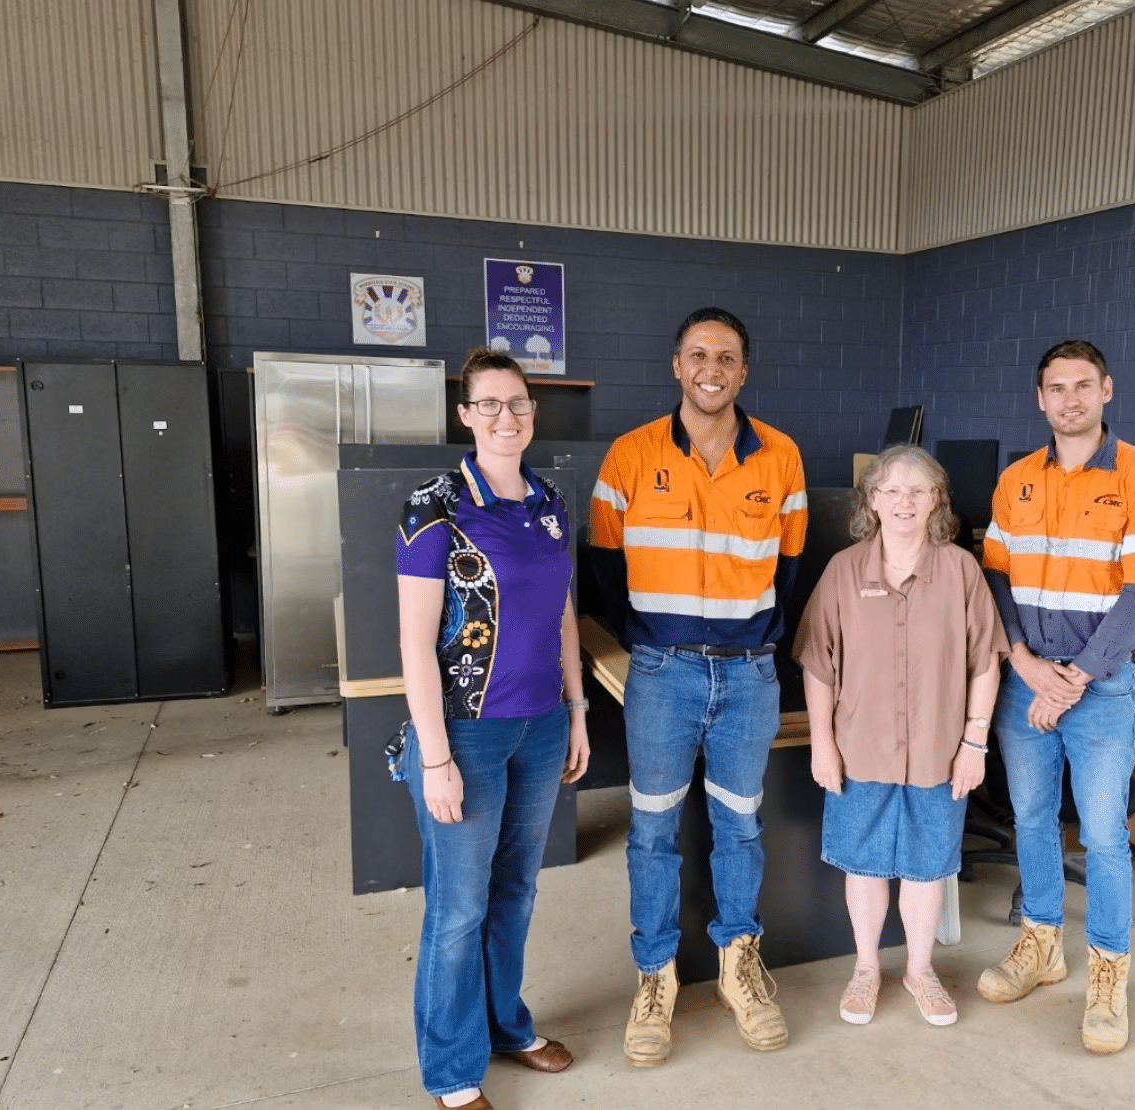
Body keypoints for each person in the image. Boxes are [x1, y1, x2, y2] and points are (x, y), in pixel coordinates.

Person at [588, 307, 808, 1066]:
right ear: (676, 366)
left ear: (743, 372)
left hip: (748, 675)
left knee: (739, 826)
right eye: (697, 354)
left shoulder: (780, 458)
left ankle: (738, 967)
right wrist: (652, 641)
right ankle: (654, 978)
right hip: (662, 673)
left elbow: (790, 572)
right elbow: (605, 570)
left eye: (726, 357)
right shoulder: (628, 455)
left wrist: (751, 643)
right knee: (650, 830)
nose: (711, 368)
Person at [395, 347, 591, 1110]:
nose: (505, 417)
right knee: (458, 908)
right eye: (489, 405)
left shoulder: (548, 501)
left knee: (515, 891)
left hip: (540, 728)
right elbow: (414, 643)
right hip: (466, 734)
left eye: (517, 404)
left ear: (532, 413)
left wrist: (576, 711)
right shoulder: (434, 504)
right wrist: (436, 756)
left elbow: (565, 615)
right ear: (465, 414)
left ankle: (506, 1026)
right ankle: (451, 1070)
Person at [977, 339, 1135, 1055]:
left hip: (1096, 687)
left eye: (1082, 386)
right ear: (1039, 398)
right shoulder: (1015, 480)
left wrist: (1073, 682)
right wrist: (1022, 661)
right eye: (1055, 388)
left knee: (1101, 835)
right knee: (1030, 817)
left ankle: (1107, 977)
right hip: (1027, 680)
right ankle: (1040, 945)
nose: (1069, 399)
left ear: (1106, 390)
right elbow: (993, 578)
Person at [793, 445, 1008, 1028]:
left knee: (926, 866)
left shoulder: (961, 570)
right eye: (891, 490)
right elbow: (818, 664)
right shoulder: (843, 570)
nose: (905, 502)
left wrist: (974, 743)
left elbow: (985, 663)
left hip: (940, 755)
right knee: (863, 865)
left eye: (919, 490)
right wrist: (822, 743)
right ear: (872, 501)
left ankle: (919, 970)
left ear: (937, 499)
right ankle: (866, 969)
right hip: (860, 748)